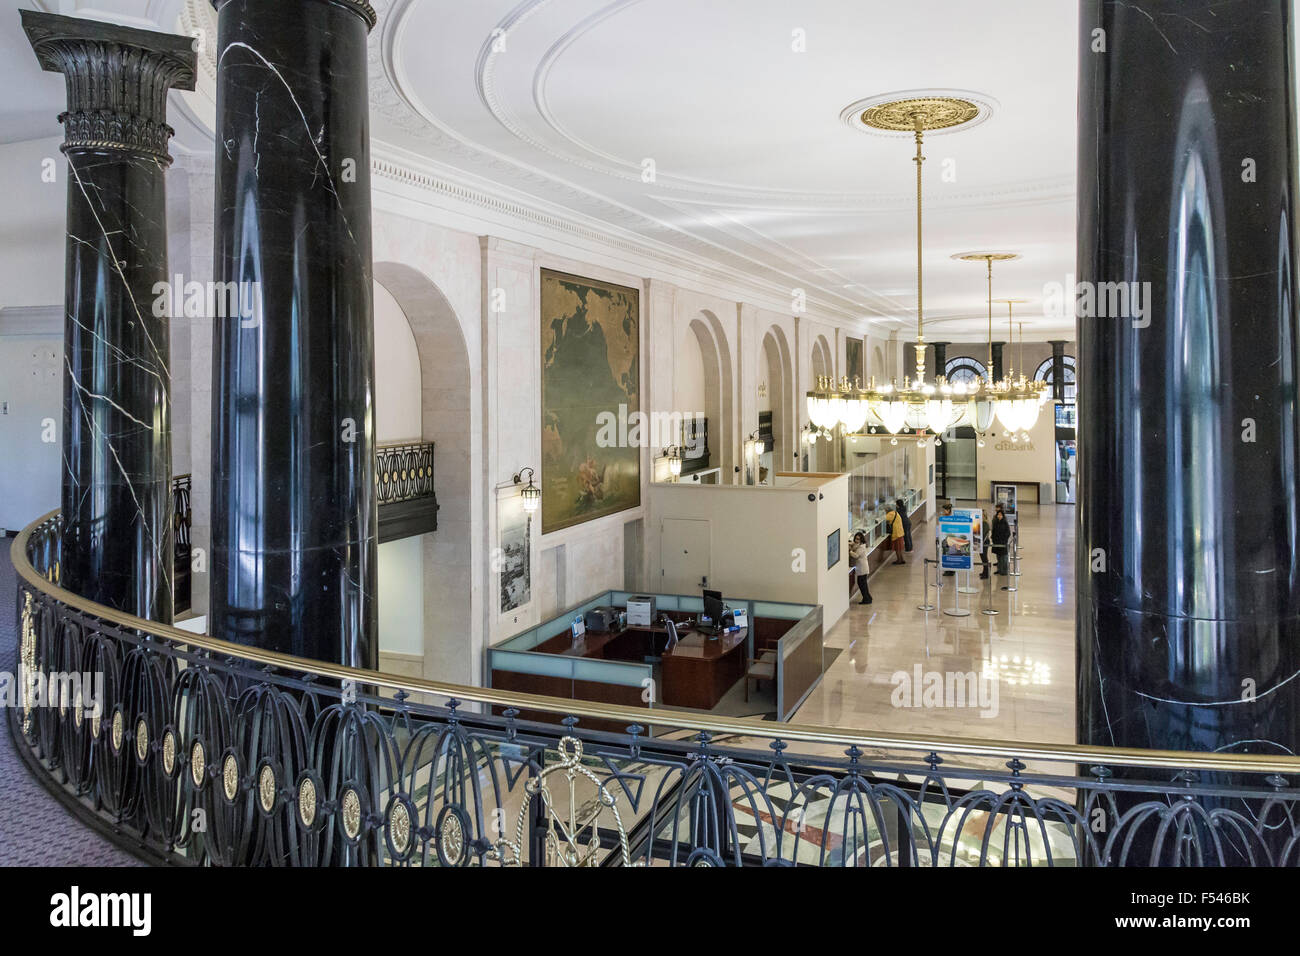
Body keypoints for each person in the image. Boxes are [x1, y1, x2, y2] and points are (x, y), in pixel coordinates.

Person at [849, 531, 872, 605]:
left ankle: (866, 599)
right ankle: (868, 597)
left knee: (862, 584)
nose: (856, 540)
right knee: (863, 584)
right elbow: (853, 544)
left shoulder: (861, 547)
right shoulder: (858, 545)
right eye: (855, 538)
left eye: (858, 539)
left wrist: (849, 551)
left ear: (861, 540)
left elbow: (856, 555)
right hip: (861, 568)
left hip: (863, 569)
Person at [991, 504, 1012, 576]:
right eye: (998, 515)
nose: (999, 516)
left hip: (1003, 543)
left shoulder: (1005, 523)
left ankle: (1004, 571)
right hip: (996, 543)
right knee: (998, 557)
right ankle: (999, 570)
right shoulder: (996, 523)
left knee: (1004, 557)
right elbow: (993, 532)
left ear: (1003, 516)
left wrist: (1004, 540)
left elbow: (1008, 533)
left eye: (1000, 515)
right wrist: (993, 539)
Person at [941, 502, 956, 576]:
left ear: (949, 510)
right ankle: (948, 569)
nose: (944, 511)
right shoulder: (945, 517)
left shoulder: (950, 518)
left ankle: (951, 570)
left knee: (950, 554)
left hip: (950, 539)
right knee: (946, 554)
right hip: (945, 538)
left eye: (945, 510)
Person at [979, 509, 992, 579]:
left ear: (984, 516)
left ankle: (986, 573)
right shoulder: (982, 523)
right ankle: (984, 571)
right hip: (982, 542)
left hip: (984, 542)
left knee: (984, 558)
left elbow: (983, 534)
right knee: (983, 557)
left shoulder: (985, 523)